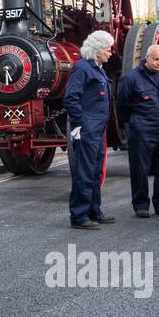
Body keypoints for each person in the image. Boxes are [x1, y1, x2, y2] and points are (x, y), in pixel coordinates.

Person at [116, 42, 159, 218]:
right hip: (142, 129)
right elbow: (122, 106)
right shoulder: (131, 79)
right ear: (147, 58)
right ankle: (141, 204)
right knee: (140, 168)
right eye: (155, 59)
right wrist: (135, 122)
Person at [64, 30, 115, 230]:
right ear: (98, 50)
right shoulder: (83, 68)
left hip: (96, 129)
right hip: (88, 129)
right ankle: (79, 215)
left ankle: (94, 210)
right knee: (84, 172)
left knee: (94, 172)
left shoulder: (96, 68)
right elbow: (71, 98)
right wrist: (80, 124)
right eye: (108, 50)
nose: (110, 53)